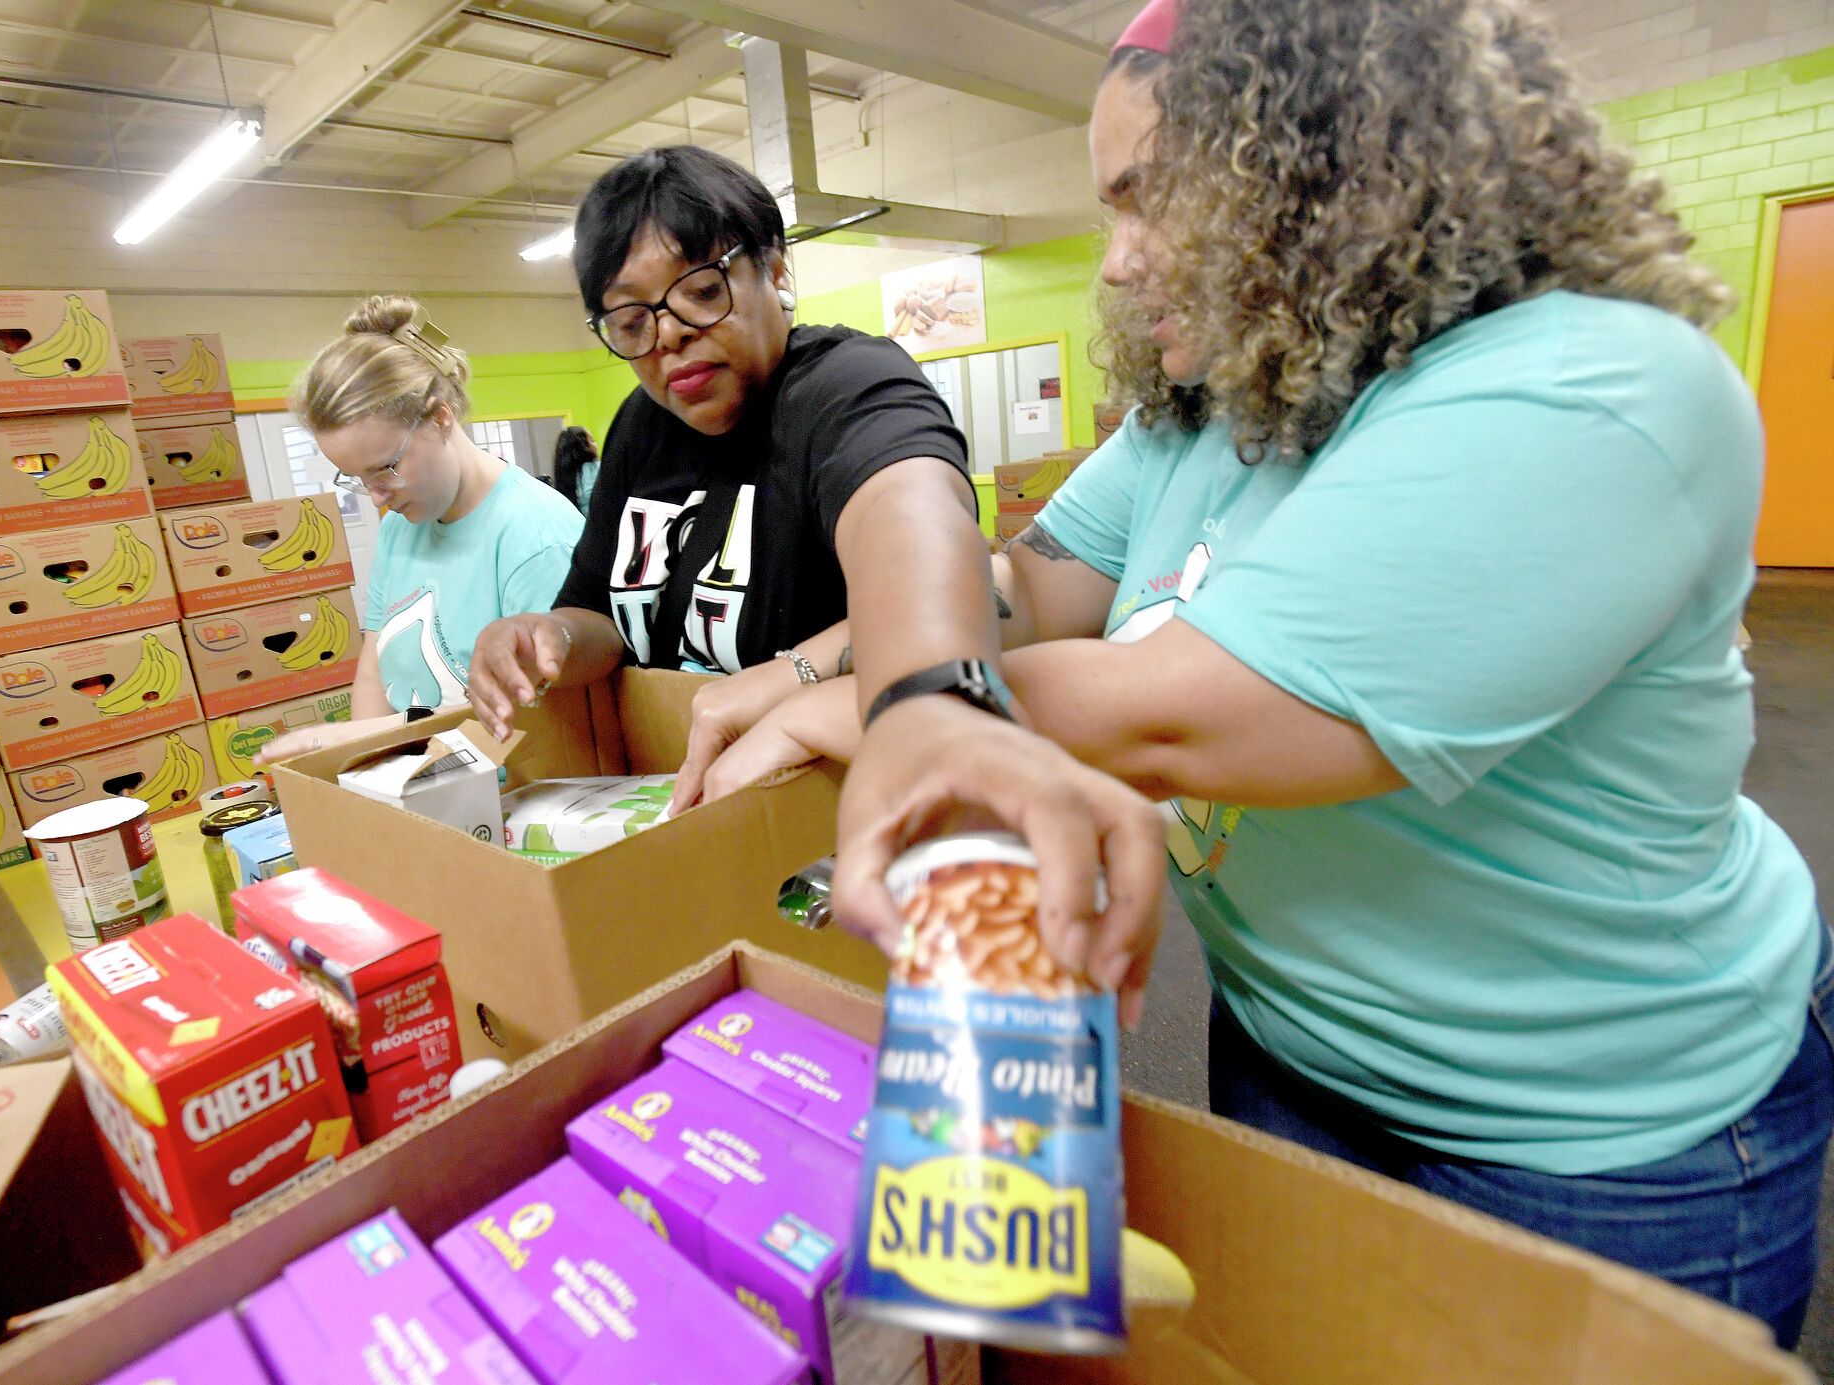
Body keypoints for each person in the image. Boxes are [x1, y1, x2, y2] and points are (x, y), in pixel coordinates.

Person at [699, 0, 1828, 1343]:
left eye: (1147, 201)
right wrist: (801, 662)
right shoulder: (1221, 400)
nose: (1114, 266)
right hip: (1296, 1043)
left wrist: (882, 704)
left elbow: (1186, 713)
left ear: (1323, 176)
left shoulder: (1597, 387)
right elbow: (1023, 587)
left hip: (1591, 1125)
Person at [467, 146, 1163, 1003]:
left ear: (773, 270)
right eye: (631, 321)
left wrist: (874, 692)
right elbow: (600, 613)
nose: (671, 334)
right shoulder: (641, 431)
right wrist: (545, 636)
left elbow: (914, 523)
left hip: (845, 843)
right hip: (691, 836)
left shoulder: (844, 387)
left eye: (700, 289)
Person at [255, 296, 583, 763]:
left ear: (440, 418)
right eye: (358, 478)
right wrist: (364, 763)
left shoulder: (537, 536)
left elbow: (536, 722)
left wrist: (359, 739)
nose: (376, 496)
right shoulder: (401, 528)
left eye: (385, 467)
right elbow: (373, 672)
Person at [550, 425, 598, 513]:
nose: (596, 445)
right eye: (592, 441)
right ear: (585, 447)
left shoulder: (561, 478)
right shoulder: (598, 469)